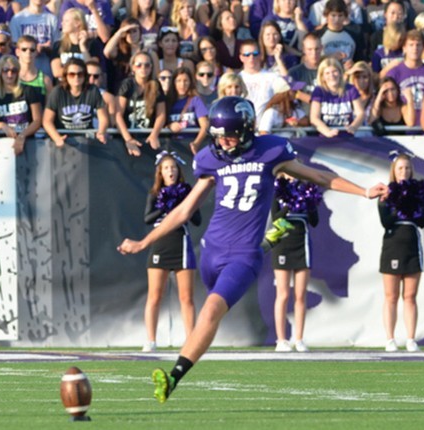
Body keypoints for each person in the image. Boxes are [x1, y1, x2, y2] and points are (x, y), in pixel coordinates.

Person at [118, 96, 388, 403]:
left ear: (247, 130)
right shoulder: (211, 159)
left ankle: (174, 377)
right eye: (219, 136)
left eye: (229, 135)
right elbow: (182, 211)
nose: (223, 142)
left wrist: (364, 190)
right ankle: (268, 241)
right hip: (212, 250)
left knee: (210, 311)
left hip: (242, 257)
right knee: (209, 310)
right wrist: (144, 241)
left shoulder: (271, 152)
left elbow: (321, 177)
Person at [141, 151, 200, 353]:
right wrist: (164, 206)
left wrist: (186, 204)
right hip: (160, 244)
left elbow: (197, 220)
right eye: (166, 168)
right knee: (154, 296)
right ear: (160, 172)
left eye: (173, 167)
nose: (171, 171)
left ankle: (191, 341)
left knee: (186, 297)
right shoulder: (155, 194)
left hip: (181, 243)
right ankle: (150, 340)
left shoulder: (187, 192)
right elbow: (147, 219)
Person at [378, 153, 424, 353]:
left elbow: (422, 222)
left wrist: (414, 203)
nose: (404, 172)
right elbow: (386, 222)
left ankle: (410, 339)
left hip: (412, 245)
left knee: (410, 296)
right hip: (392, 245)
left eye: (407, 168)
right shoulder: (386, 192)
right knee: (391, 296)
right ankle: (390, 339)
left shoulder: (418, 191)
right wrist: (394, 201)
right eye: (400, 168)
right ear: (394, 171)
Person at [269, 172, 321, 353]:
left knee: (300, 295)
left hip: (302, 244)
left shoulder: (305, 190)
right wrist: (290, 203)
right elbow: (276, 218)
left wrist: (310, 202)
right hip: (282, 243)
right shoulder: (277, 191)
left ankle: (299, 339)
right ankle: (281, 340)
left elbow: (314, 222)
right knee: (282, 294)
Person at [42, 58, 109, 148]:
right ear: (65, 76)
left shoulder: (93, 90)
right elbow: (47, 120)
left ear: (85, 75)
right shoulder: (57, 92)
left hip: (85, 141)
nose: (76, 77)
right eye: (71, 74)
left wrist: (101, 132)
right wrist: (57, 138)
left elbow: (103, 117)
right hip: (63, 141)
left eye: (80, 74)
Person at [0, 55, 43, 156]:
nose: (10, 74)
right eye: (5, 70)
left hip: (29, 142)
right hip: (4, 145)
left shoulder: (28, 90)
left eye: (14, 70)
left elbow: (37, 120)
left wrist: (22, 135)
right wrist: (2, 125)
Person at [309, 58, 365, 138]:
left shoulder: (351, 89)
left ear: (340, 73)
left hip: (348, 137)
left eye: (334, 71)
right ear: (322, 76)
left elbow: (361, 113)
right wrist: (327, 132)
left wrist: (353, 127)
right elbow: (314, 118)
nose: (331, 76)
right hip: (325, 138)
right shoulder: (319, 91)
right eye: (327, 73)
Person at [166, 67, 209, 153]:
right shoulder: (167, 101)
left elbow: (205, 125)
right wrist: (170, 126)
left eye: (186, 81)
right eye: (178, 81)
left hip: (191, 144)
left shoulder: (195, 100)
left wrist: (196, 143)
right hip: (172, 146)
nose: (182, 84)